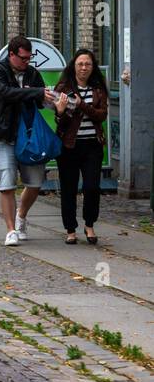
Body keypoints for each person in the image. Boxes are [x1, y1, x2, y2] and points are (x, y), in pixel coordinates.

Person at [0, 34, 56, 247]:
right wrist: (33, 92)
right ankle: (10, 230)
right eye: (23, 58)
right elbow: (6, 94)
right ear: (11, 55)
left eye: (29, 58)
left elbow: (41, 101)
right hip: (4, 135)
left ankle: (21, 215)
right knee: (7, 184)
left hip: (29, 137)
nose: (27, 62)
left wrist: (52, 101)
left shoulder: (33, 74)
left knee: (35, 184)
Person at [53, 48, 109, 245]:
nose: (84, 68)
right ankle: (70, 229)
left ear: (93, 67)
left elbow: (101, 115)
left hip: (92, 145)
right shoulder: (63, 88)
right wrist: (60, 112)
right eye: (80, 64)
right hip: (69, 146)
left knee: (92, 187)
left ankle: (89, 224)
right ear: (73, 67)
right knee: (69, 188)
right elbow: (60, 122)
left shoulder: (98, 89)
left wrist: (81, 105)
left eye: (88, 64)